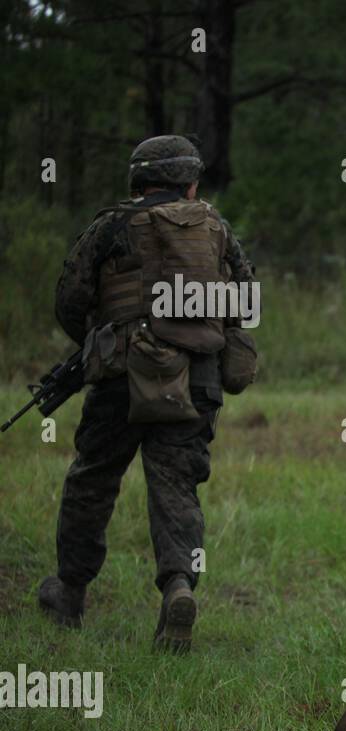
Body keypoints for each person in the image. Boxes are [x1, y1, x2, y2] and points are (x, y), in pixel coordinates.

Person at [36, 134, 256, 652]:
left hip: (121, 376)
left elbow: (70, 300)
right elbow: (247, 298)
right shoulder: (218, 229)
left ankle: (69, 591)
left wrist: (107, 335)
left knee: (93, 479)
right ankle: (178, 586)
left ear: (138, 180)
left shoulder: (111, 225)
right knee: (176, 487)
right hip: (195, 379)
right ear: (191, 183)